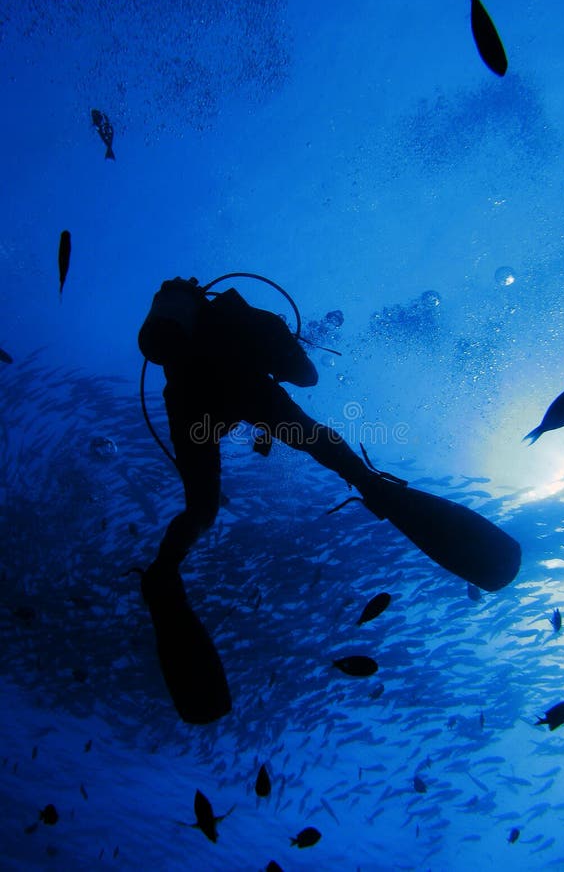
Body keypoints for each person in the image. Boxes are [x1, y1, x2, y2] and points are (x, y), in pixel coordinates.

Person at [138, 276, 521, 725]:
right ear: (200, 295)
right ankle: (374, 487)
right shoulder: (234, 318)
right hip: (247, 389)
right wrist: (279, 344)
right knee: (319, 442)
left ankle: (164, 570)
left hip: (188, 403)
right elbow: (307, 375)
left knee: (200, 508)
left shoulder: (182, 350)